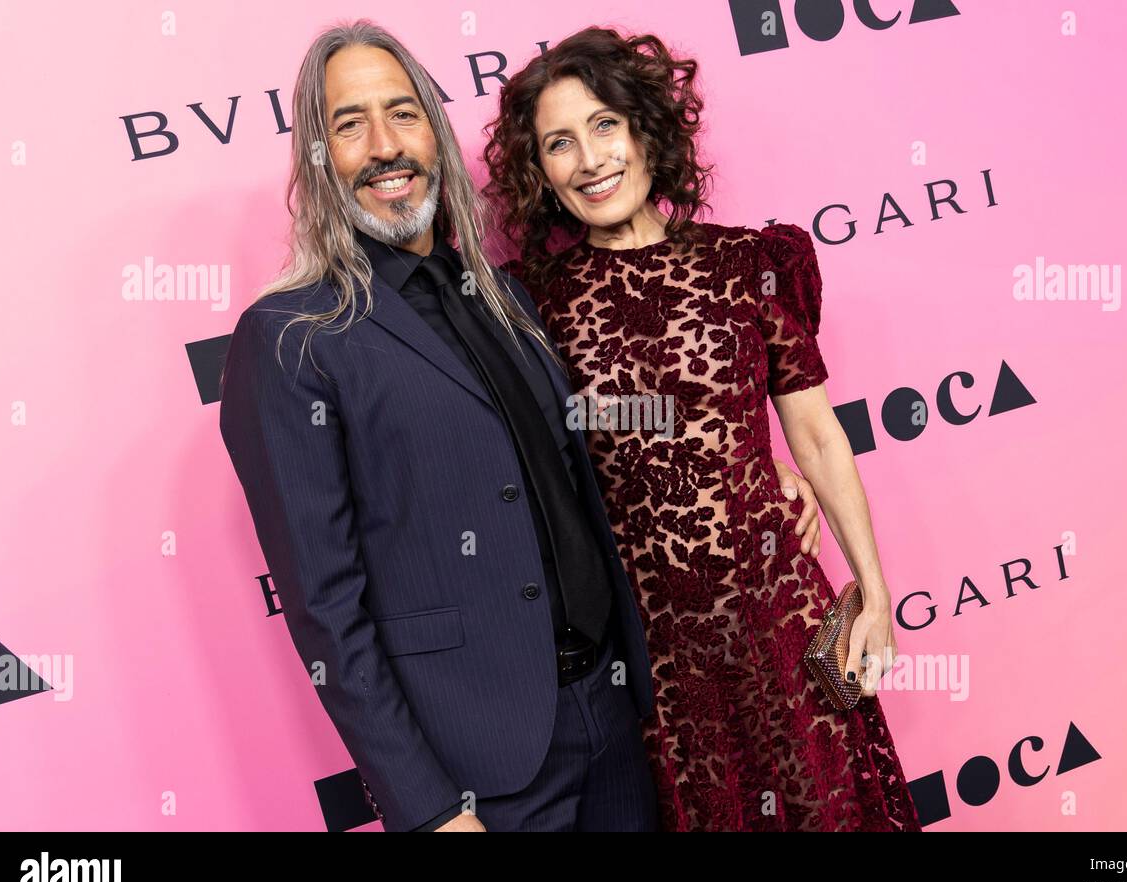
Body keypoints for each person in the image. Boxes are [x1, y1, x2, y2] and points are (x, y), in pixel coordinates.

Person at [218, 19, 818, 832]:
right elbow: (326, 609)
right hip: (477, 775)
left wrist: (734, 458)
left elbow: (584, 440)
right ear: (319, 159)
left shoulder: (506, 298)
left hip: (616, 721)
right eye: (348, 125)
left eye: (403, 113)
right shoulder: (293, 338)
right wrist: (427, 809)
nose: (384, 145)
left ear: (435, 131)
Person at [484, 27, 923, 831]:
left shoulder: (748, 263)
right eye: (559, 143)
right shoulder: (528, 304)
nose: (590, 159)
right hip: (658, 661)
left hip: (784, 626)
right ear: (539, 172)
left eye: (605, 124)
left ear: (647, 128)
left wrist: (875, 594)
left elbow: (817, 436)